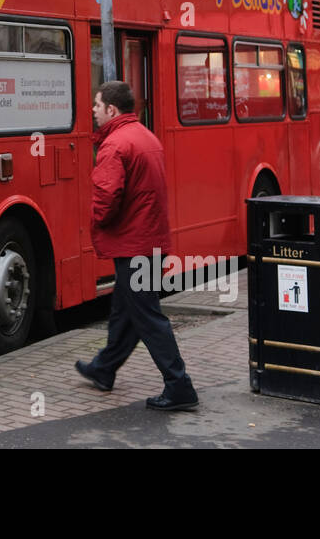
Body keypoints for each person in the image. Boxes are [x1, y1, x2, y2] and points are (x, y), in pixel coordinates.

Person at [74, 81, 198, 411]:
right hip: (149, 240)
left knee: (146, 317)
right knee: (125, 310)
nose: (93, 111)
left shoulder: (114, 145)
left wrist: (94, 218)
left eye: (97, 105)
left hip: (133, 245)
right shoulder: (146, 137)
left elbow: (106, 199)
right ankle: (104, 369)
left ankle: (179, 385)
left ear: (111, 110)